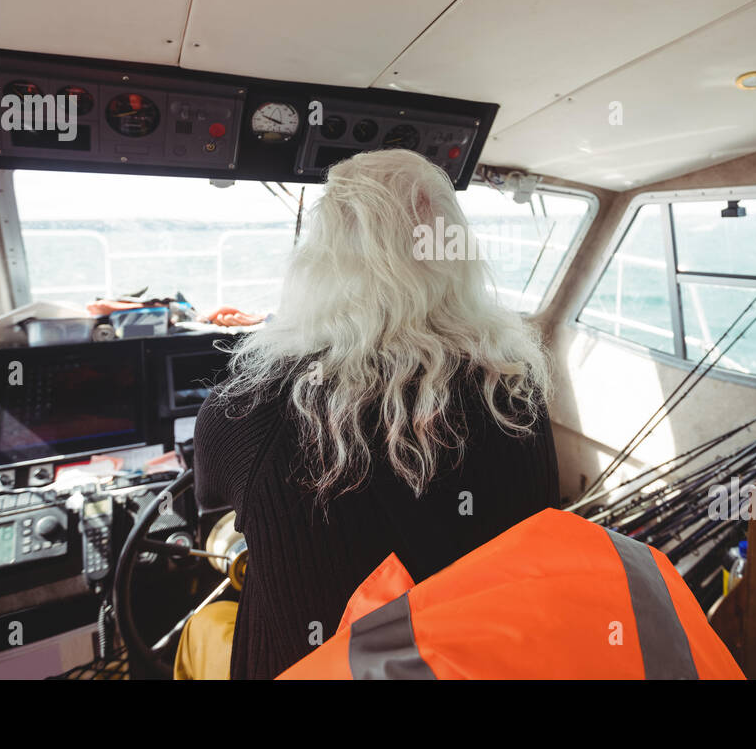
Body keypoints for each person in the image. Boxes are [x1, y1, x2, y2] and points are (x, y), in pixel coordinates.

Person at [193, 149, 558, 679]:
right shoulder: (516, 394)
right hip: (480, 665)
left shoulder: (245, 410)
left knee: (203, 627)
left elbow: (212, 502)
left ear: (317, 261)